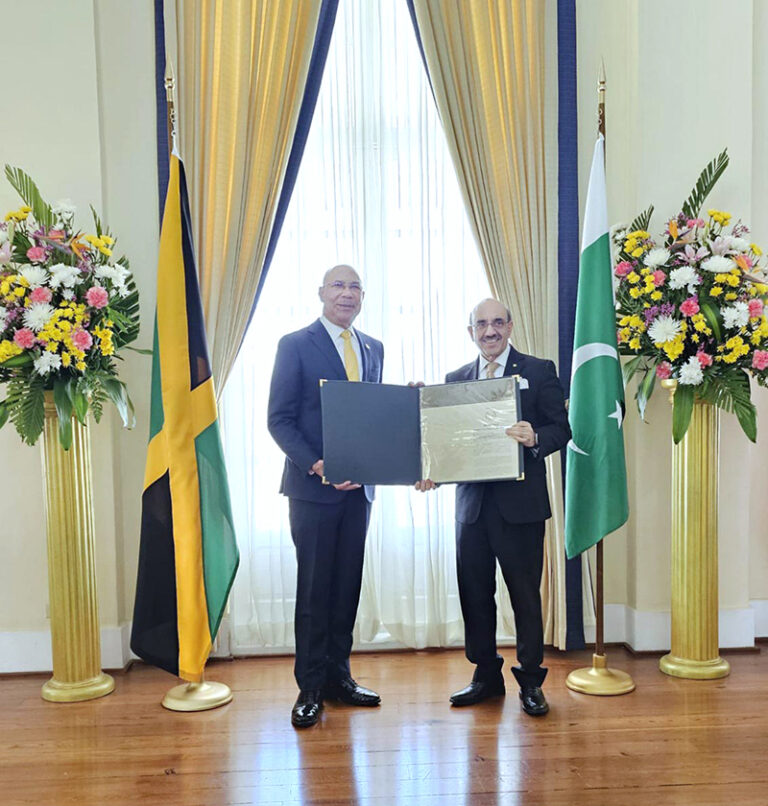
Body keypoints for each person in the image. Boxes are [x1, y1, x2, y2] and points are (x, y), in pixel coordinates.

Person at [418, 298, 570, 716]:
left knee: (524, 596)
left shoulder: (538, 371)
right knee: (475, 595)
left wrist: (535, 436)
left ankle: (532, 680)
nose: (490, 331)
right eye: (481, 324)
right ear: (470, 331)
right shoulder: (455, 380)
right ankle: (485, 676)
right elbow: (448, 442)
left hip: (520, 509)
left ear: (510, 326)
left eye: (497, 323)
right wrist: (431, 469)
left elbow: (562, 428)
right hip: (471, 509)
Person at [267, 264, 384, 728]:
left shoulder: (373, 348)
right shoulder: (295, 345)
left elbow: (373, 415)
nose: (348, 293)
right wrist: (317, 465)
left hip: (360, 493)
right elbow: (280, 419)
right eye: (339, 285)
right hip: (313, 492)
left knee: (346, 588)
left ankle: (340, 677)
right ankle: (310, 688)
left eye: (356, 285)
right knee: (315, 591)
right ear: (321, 293)